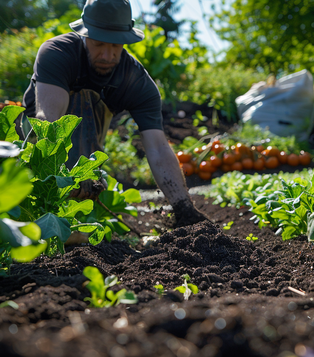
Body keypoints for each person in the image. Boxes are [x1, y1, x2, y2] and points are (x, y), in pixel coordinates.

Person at [20, 0, 208, 233]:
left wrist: (184, 209)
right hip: (35, 144)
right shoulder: (58, 53)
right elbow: (49, 121)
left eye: (116, 46)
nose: (108, 55)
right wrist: (65, 175)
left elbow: (158, 147)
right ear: (84, 35)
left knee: (76, 224)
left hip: (85, 149)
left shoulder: (136, 82)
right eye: (99, 44)